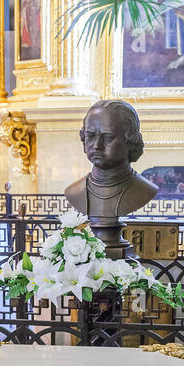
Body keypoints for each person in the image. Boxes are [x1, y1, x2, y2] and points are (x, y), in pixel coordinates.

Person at [65, 100, 159, 257]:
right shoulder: (73, 192)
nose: (96, 145)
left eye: (107, 137)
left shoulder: (145, 190)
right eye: (90, 136)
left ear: (129, 140)